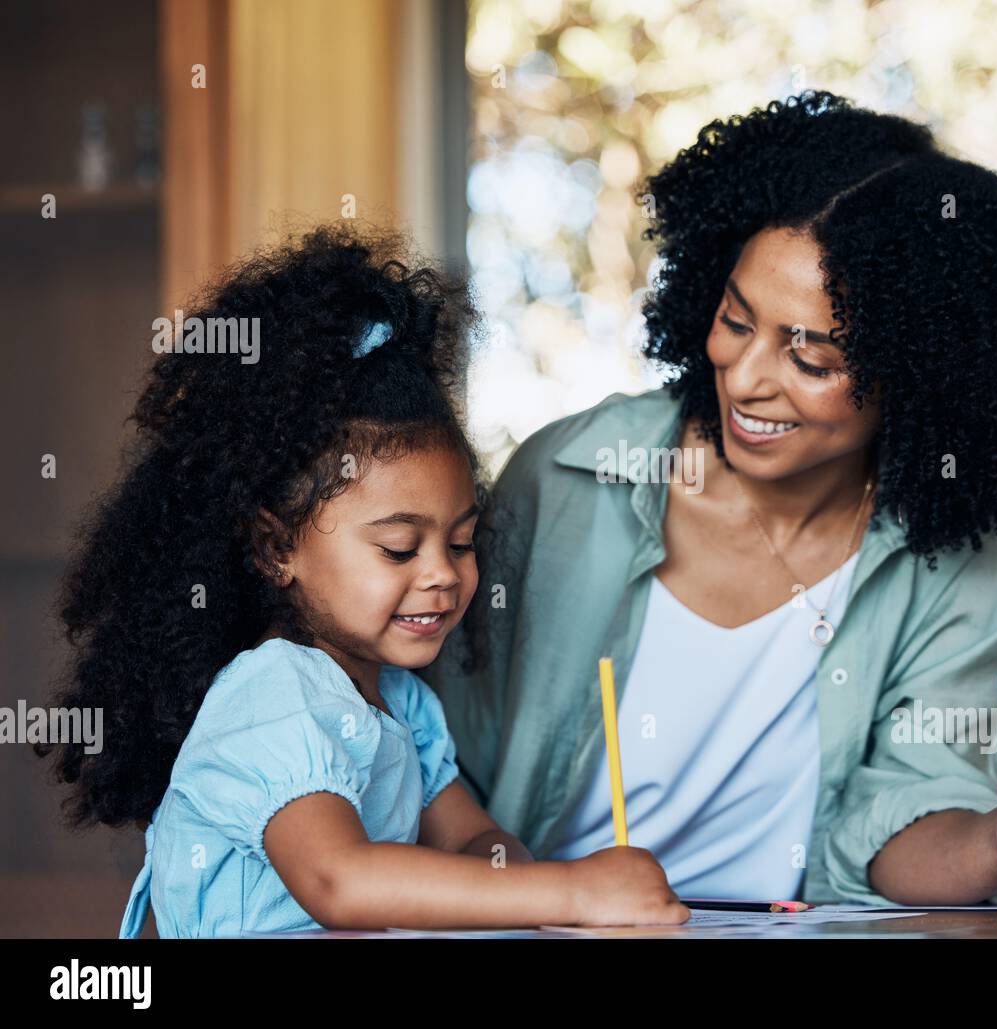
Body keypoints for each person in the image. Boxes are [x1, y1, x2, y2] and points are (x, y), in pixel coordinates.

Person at [428, 91, 997, 905]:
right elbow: (429, 755)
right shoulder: (569, 479)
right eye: (736, 319)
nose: (747, 377)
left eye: (813, 359)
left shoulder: (960, 558)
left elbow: (899, 820)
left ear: (917, 379)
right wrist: (532, 895)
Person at [35, 225, 689, 936]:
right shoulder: (272, 697)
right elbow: (339, 880)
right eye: (400, 548)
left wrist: (526, 876)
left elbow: (474, 842)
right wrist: (570, 894)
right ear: (275, 545)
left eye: (463, 540)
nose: (443, 573)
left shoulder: (405, 707)